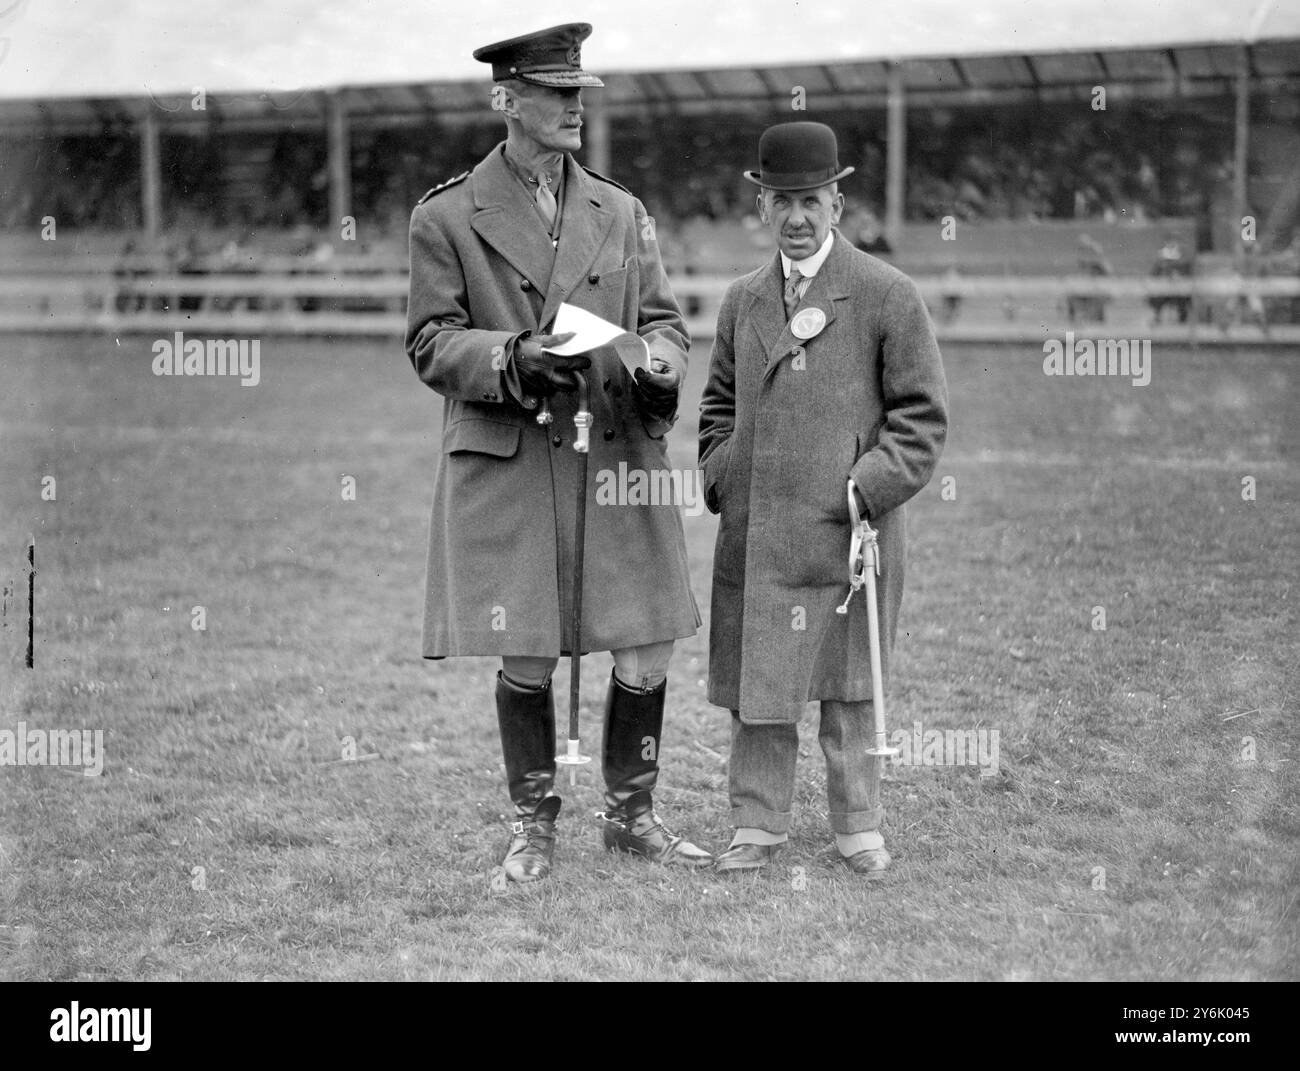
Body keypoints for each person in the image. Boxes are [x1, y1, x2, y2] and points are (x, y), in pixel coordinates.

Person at [404, 23, 711, 884]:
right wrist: (508, 357)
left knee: (649, 639)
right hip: (513, 451)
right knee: (526, 645)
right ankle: (532, 826)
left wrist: (659, 369)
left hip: (614, 448)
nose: (576, 105)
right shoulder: (446, 215)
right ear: (506, 99)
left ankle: (632, 815)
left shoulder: (623, 210)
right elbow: (430, 341)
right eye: (556, 90)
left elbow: (664, 325)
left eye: (579, 90)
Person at [698, 122, 948, 876]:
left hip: (848, 530)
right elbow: (715, 407)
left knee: (850, 683)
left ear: (837, 202)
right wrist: (723, 473)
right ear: (763, 207)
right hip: (763, 530)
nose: (797, 217)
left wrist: (865, 486)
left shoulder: (884, 294)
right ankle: (758, 824)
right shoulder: (743, 301)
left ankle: (858, 824)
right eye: (782, 201)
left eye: (811, 200)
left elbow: (922, 417)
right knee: (761, 685)